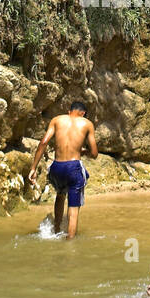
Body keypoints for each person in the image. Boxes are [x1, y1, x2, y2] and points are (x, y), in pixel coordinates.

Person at [27, 101, 99, 240]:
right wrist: (83, 152)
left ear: (69, 111)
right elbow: (94, 153)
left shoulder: (57, 120)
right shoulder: (87, 124)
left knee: (60, 195)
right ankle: (69, 242)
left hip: (56, 167)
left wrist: (33, 168)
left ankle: (56, 229)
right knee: (73, 208)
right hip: (74, 167)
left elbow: (43, 142)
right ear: (83, 113)